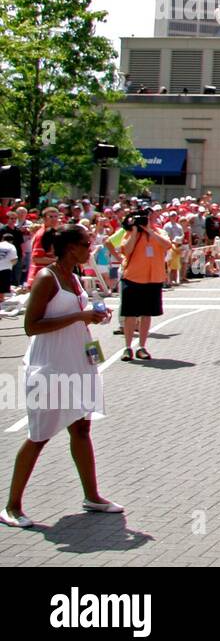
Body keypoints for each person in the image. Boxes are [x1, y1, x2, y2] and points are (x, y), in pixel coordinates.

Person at [2, 225, 120, 528]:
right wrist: (79, 316)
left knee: (82, 429)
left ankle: (92, 495)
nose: (90, 248)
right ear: (70, 247)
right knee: (39, 436)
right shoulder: (47, 278)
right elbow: (32, 326)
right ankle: (11, 506)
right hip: (50, 366)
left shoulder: (76, 277)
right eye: (86, 244)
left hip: (78, 361)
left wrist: (95, 313)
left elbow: (77, 316)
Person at [119, 208, 170, 362]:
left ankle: (142, 346)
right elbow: (126, 251)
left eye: (146, 217)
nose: (144, 219)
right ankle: (127, 347)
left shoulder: (159, 231)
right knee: (130, 314)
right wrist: (135, 231)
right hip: (133, 277)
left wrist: (149, 231)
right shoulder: (130, 232)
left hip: (153, 278)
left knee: (146, 314)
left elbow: (167, 245)